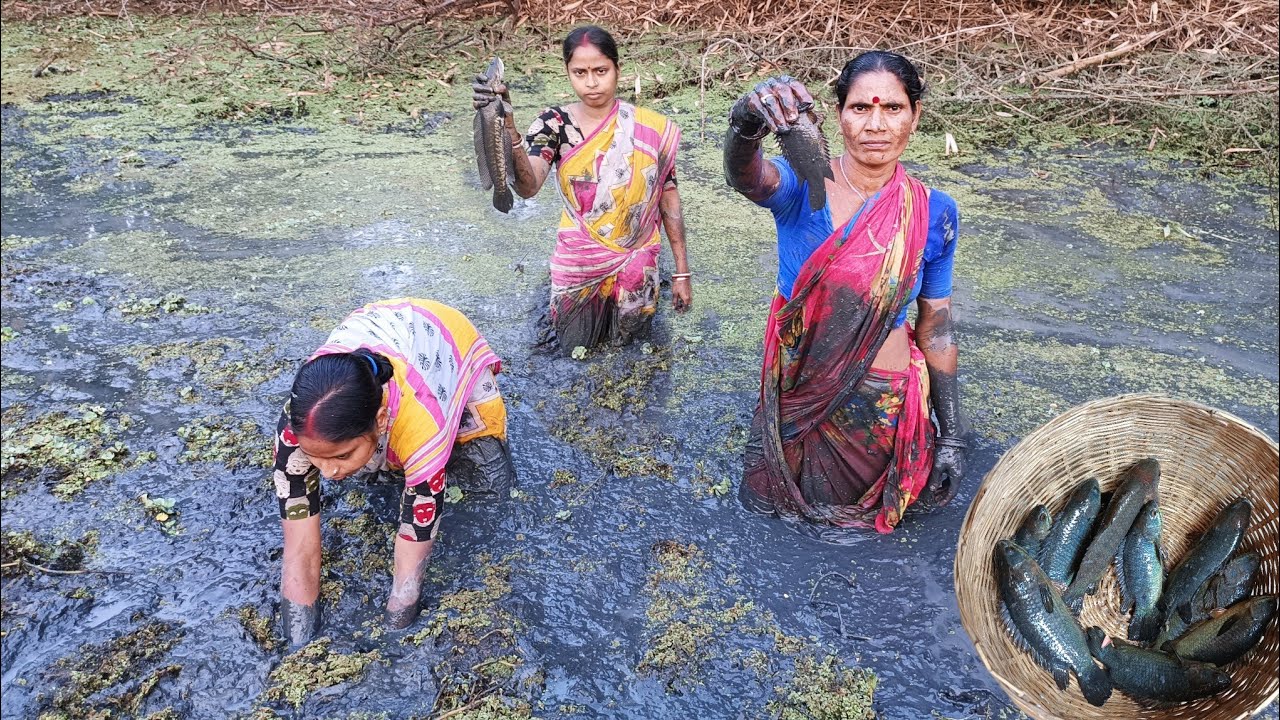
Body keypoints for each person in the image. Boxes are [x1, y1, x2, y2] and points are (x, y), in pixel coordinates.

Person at [723, 51, 967, 536]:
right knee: (768, 513)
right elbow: (744, 176)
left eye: (893, 108)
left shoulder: (933, 211)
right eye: (860, 108)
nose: (876, 124)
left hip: (882, 412)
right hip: (797, 398)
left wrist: (953, 437)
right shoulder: (802, 186)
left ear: (915, 117)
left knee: (880, 533)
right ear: (838, 116)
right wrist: (745, 123)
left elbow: (936, 328)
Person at [272, 298, 515, 645]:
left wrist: (395, 636)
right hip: (377, 341)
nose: (326, 474)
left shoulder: (421, 425)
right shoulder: (296, 430)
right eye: (316, 458)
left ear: (382, 420)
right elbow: (299, 551)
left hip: (443, 345)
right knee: (376, 468)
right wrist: (298, 647)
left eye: (340, 455)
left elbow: (409, 572)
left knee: (488, 486)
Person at [472, 25, 693, 353]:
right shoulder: (555, 124)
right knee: (572, 353)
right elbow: (529, 186)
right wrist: (508, 127)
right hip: (578, 261)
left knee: (636, 354)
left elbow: (668, 200)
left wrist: (681, 273)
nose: (591, 82)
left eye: (601, 71)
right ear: (568, 73)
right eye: (580, 72)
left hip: (637, 262)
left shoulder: (651, 129)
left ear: (618, 69)